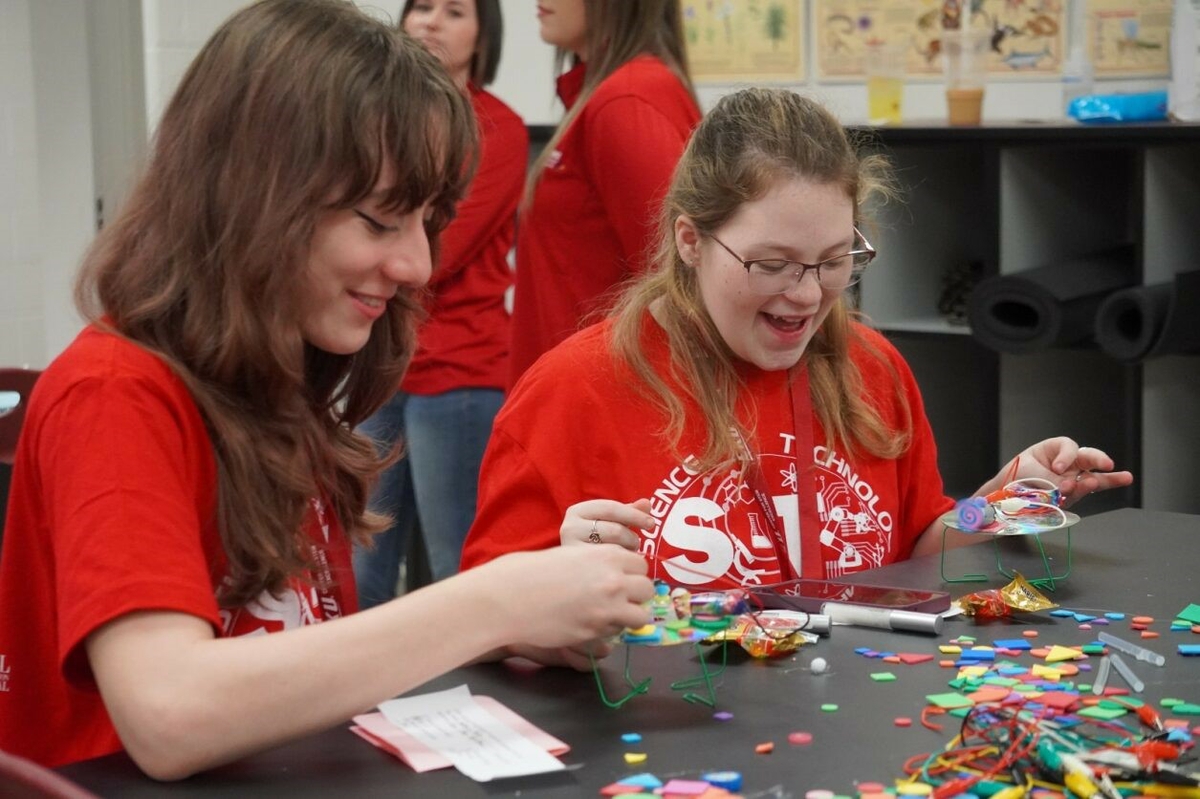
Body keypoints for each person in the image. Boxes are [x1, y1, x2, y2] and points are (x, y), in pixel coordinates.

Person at [0, 0, 652, 778]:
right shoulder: (114, 393)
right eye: (380, 221)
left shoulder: (280, 382)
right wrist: (490, 602)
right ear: (254, 197)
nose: (415, 264)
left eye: (427, 222)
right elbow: (170, 711)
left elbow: (300, 657)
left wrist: (529, 613)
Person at [460, 87, 1132, 600]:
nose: (808, 294)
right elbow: (482, 622)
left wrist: (1003, 504)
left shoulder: (873, 369)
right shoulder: (572, 391)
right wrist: (556, 577)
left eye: (835, 258)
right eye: (772, 264)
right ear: (690, 241)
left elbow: (916, 550)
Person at [351, 0, 527, 608]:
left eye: (454, 11)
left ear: (483, 36)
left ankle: (472, 705)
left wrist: (360, 246)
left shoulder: (497, 128)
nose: (429, 23)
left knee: (459, 568)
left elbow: (438, 252)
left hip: (459, 373)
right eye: (421, 6)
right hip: (380, 358)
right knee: (364, 560)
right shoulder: (380, 121)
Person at [508, 0, 702, 385]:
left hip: (598, 397)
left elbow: (678, 283)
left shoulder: (626, 102)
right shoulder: (612, 95)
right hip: (578, 392)